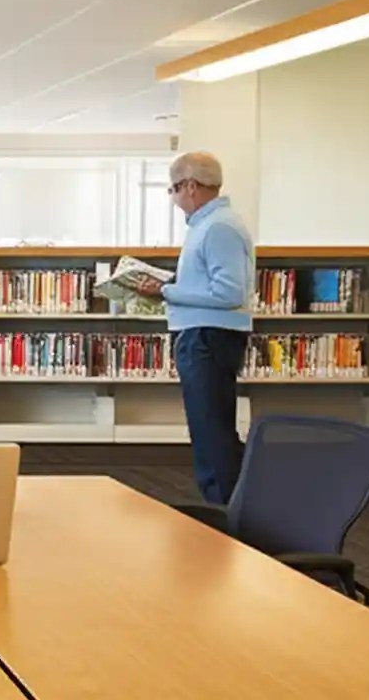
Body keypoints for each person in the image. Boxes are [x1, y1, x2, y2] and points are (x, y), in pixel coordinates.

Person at [140, 151, 254, 505]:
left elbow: (229, 292)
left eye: (173, 190)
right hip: (202, 333)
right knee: (209, 427)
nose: (173, 199)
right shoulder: (208, 225)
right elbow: (212, 283)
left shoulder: (218, 227)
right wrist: (171, 284)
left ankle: (226, 510)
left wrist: (166, 290)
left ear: (190, 187)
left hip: (208, 336)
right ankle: (226, 504)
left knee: (211, 429)